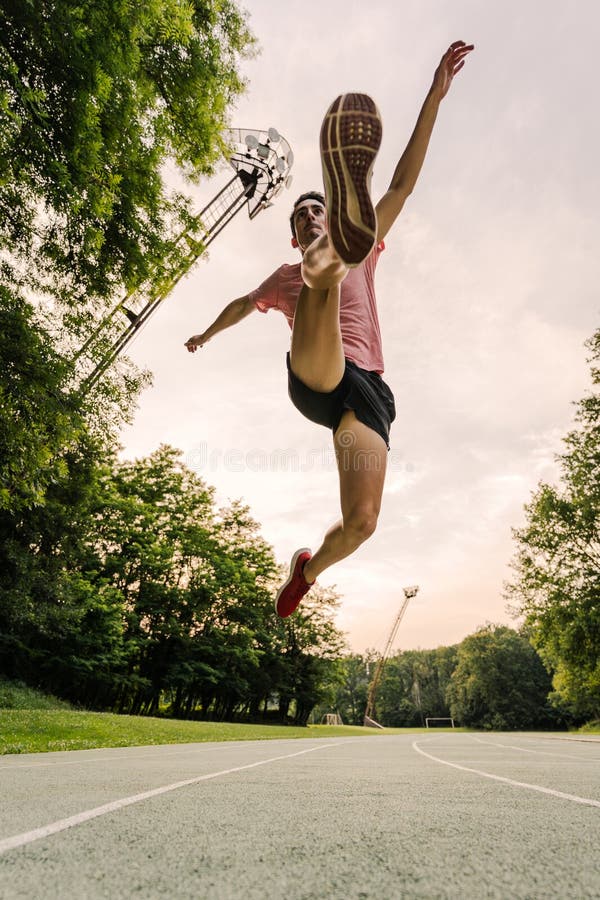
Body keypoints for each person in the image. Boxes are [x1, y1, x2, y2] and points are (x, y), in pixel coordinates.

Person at [185, 41, 474, 617]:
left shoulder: (365, 250)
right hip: (316, 373)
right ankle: (327, 267)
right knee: (320, 284)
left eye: (318, 209)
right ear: (295, 237)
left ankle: (306, 571)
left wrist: (435, 95)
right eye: (302, 217)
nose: (308, 215)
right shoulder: (285, 275)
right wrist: (206, 335)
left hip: (366, 393)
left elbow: (402, 186)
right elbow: (245, 303)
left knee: (363, 523)